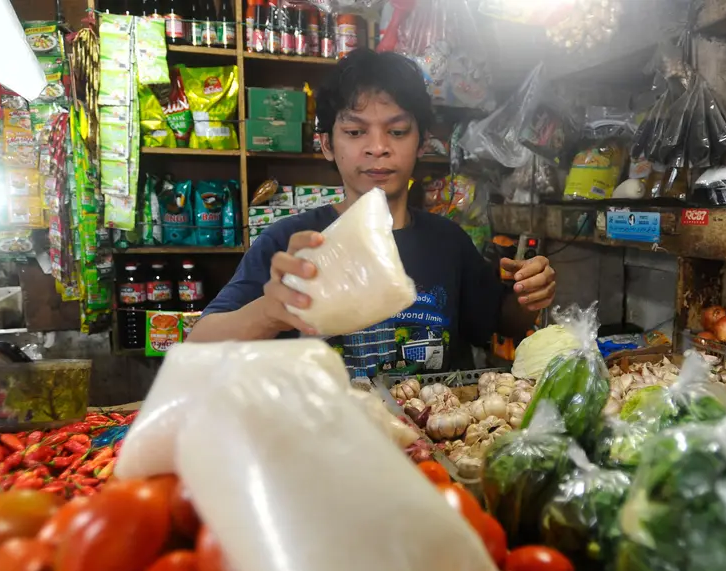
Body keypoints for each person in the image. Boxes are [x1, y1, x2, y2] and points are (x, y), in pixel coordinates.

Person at [190, 49, 557, 375]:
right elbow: (198, 346)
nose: (378, 147)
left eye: (397, 131)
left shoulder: (448, 242)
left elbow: (500, 323)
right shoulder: (288, 243)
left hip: (430, 427)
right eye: (355, 132)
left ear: (421, 142)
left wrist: (528, 295)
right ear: (326, 144)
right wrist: (271, 311)